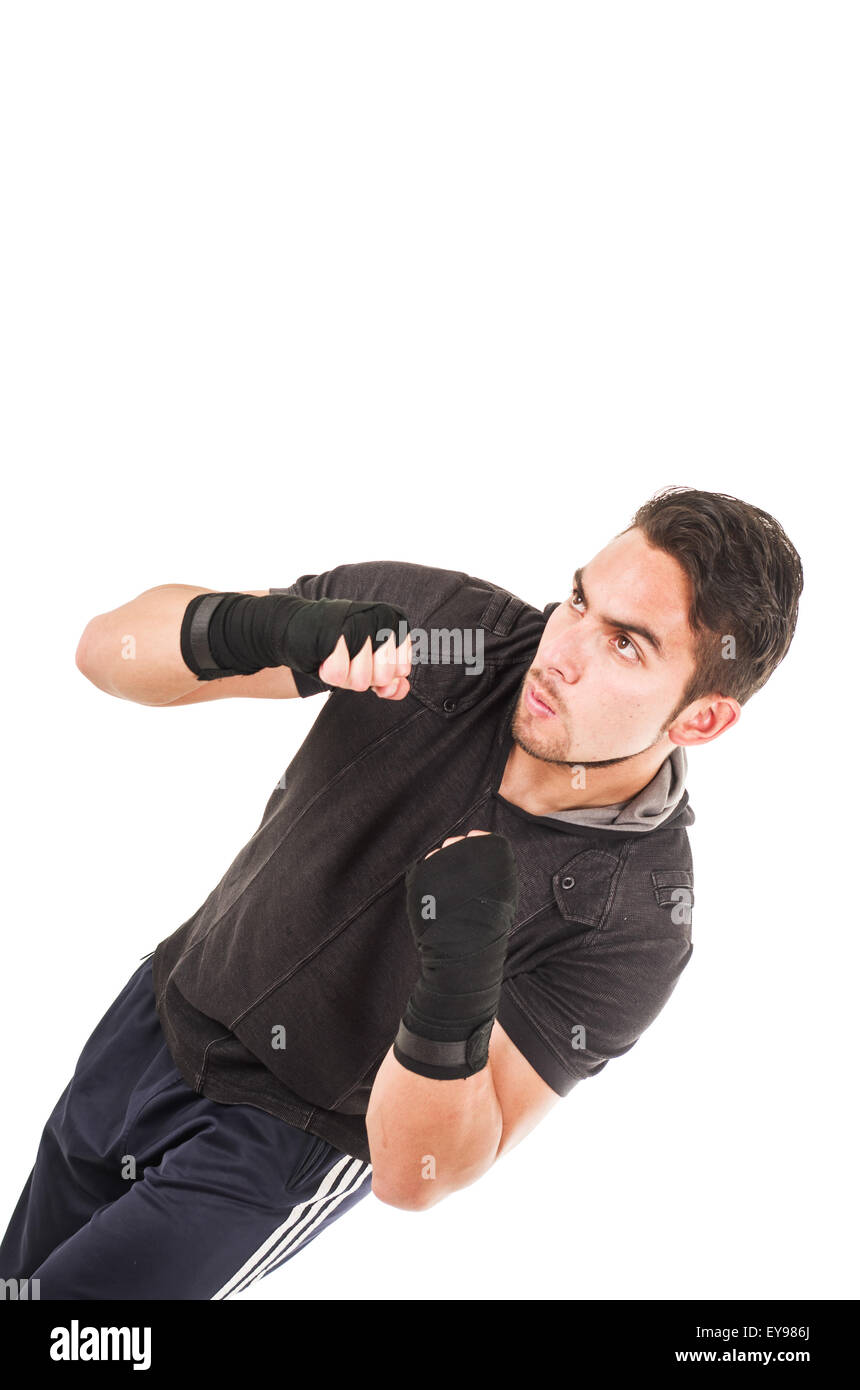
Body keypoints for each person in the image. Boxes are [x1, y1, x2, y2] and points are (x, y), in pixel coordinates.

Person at [0, 485, 803, 1300]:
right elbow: (107, 650)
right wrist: (267, 630)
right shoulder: (449, 630)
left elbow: (419, 1175)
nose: (561, 651)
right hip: (158, 1010)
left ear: (700, 719)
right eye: (578, 601)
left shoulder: (637, 920)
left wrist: (458, 981)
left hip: (278, 1145)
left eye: (626, 646)